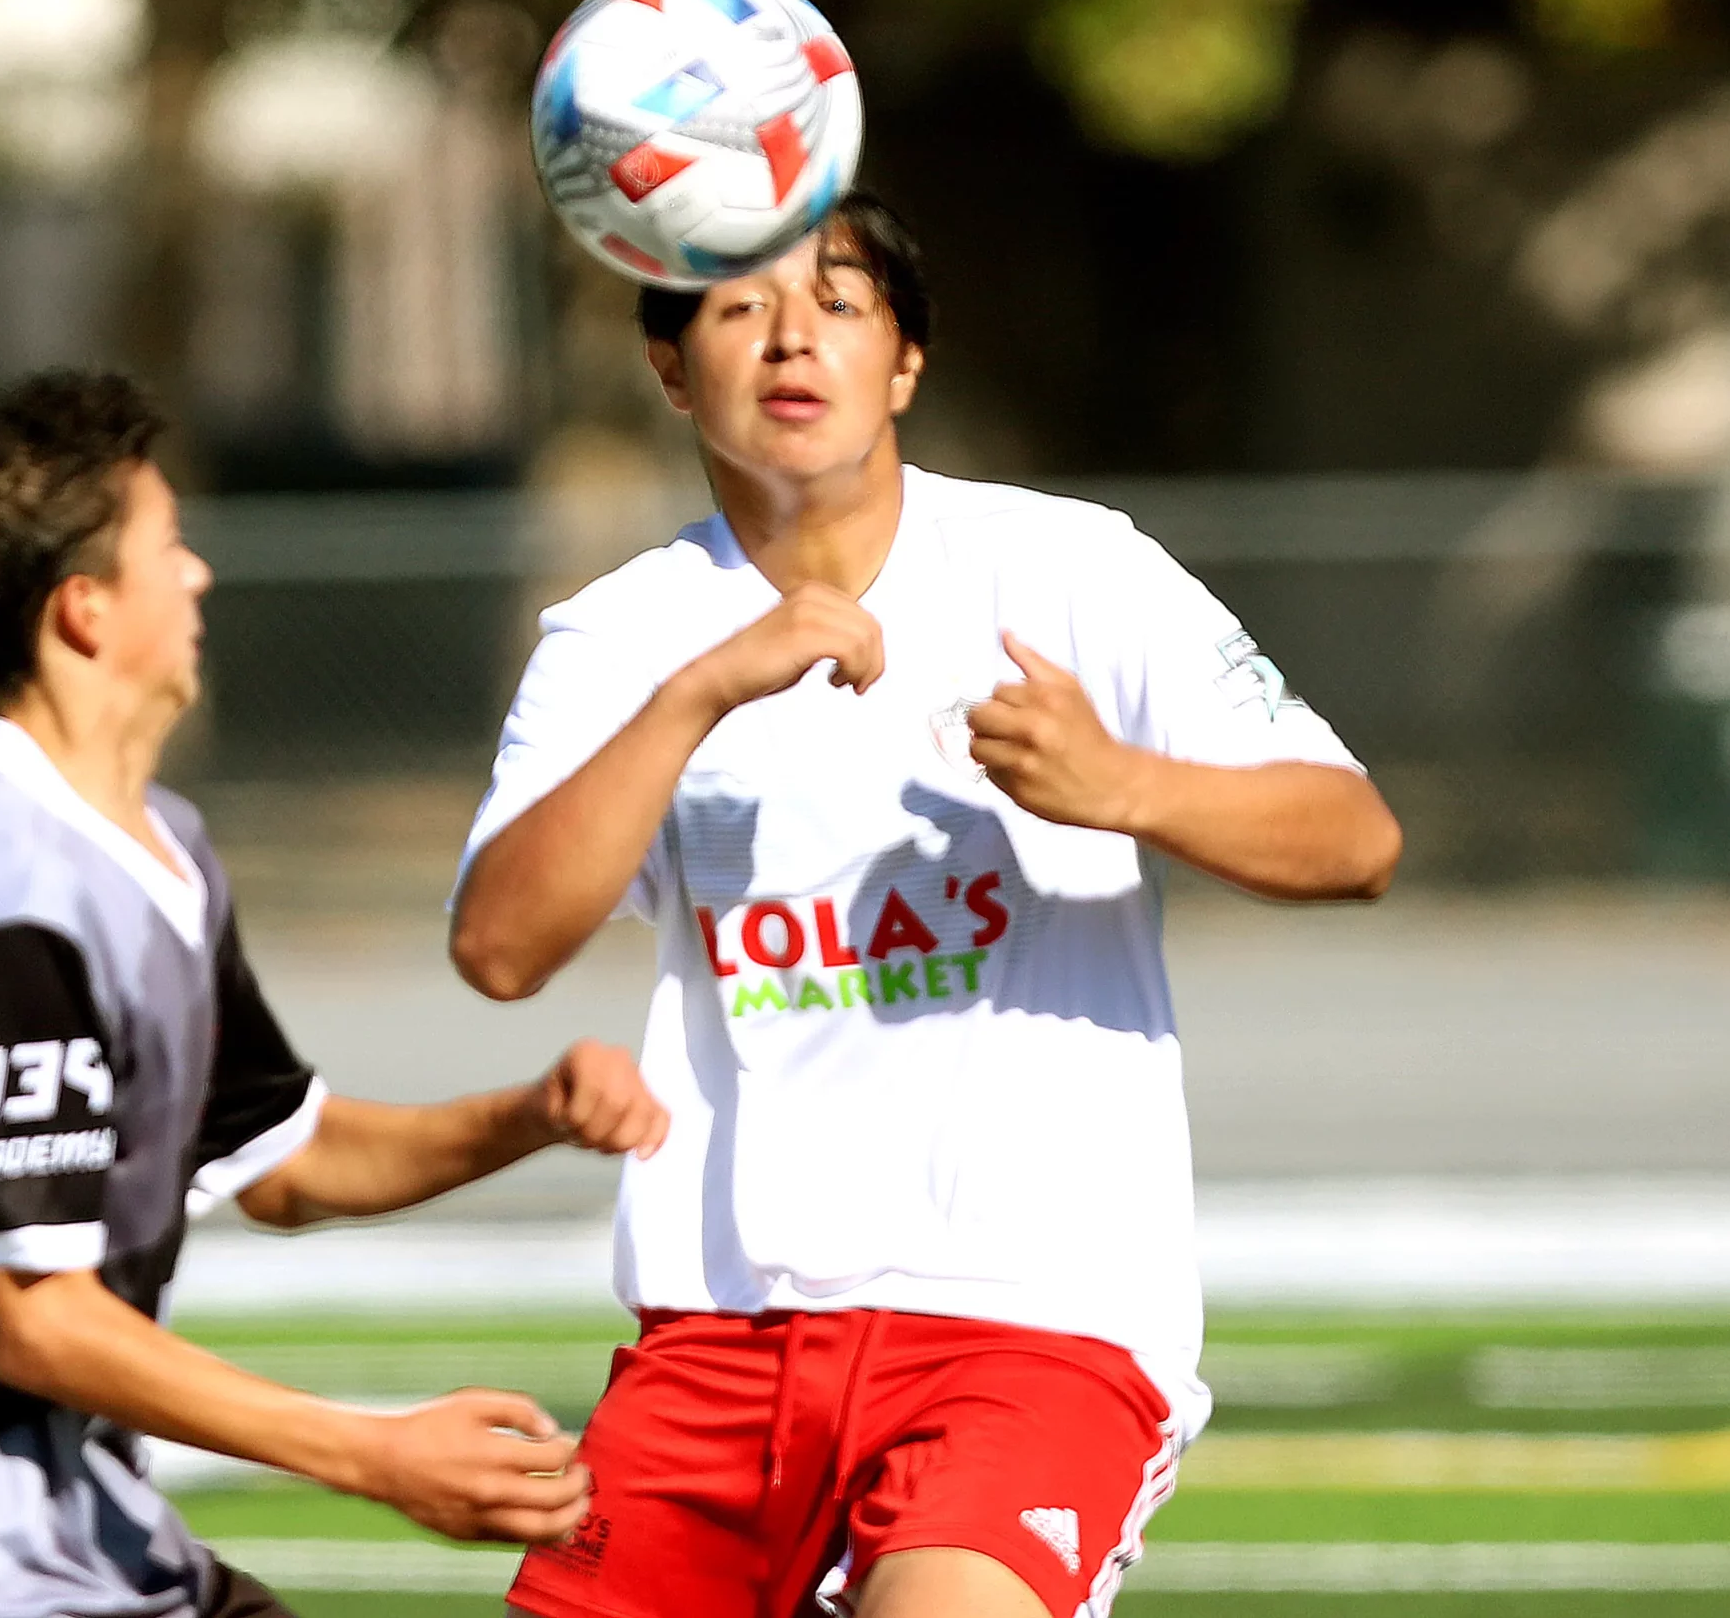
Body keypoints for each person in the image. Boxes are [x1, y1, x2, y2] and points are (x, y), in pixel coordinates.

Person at [451, 193, 1401, 1618]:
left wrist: (1125, 782)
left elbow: (1356, 834)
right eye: (734, 306)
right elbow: (501, 945)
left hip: (1031, 1328)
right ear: (669, 366)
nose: (790, 336)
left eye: (839, 303)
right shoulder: (618, 640)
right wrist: (702, 689)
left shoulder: (1075, 571)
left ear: (903, 363)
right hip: (718, 1343)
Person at [0, 369, 669, 1618]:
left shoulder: (160, 851)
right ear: (84, 612)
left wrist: (526, 1118)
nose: (198, 576)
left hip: (82, 1530)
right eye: (169, 548)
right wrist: (378, 1455)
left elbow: (284, 1162)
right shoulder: (5, 895)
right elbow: (40, 1322)